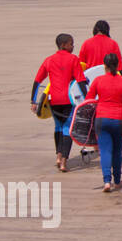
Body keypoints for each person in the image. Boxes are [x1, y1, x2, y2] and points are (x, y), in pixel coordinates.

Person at [33, 33, 87, 172]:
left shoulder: (49, 60)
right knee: (67, 129)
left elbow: (37, 81)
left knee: (58, 127)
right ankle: (64, 162)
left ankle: (58, 156)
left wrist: (33, 101)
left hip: (53, 100)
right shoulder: (73, 59)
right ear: (63, 45)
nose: (73, 46)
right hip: (68, 100)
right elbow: (81, 81)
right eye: (71, 44)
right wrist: (87, 99)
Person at [84, 52, 122, 193]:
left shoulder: (98, 80)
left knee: (105, 151)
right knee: (117, 152)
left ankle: (106, 181)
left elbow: (89, 99)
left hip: (102, 118)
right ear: (117, 66)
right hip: (119, 119)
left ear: (104, 66)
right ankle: (117, 180)